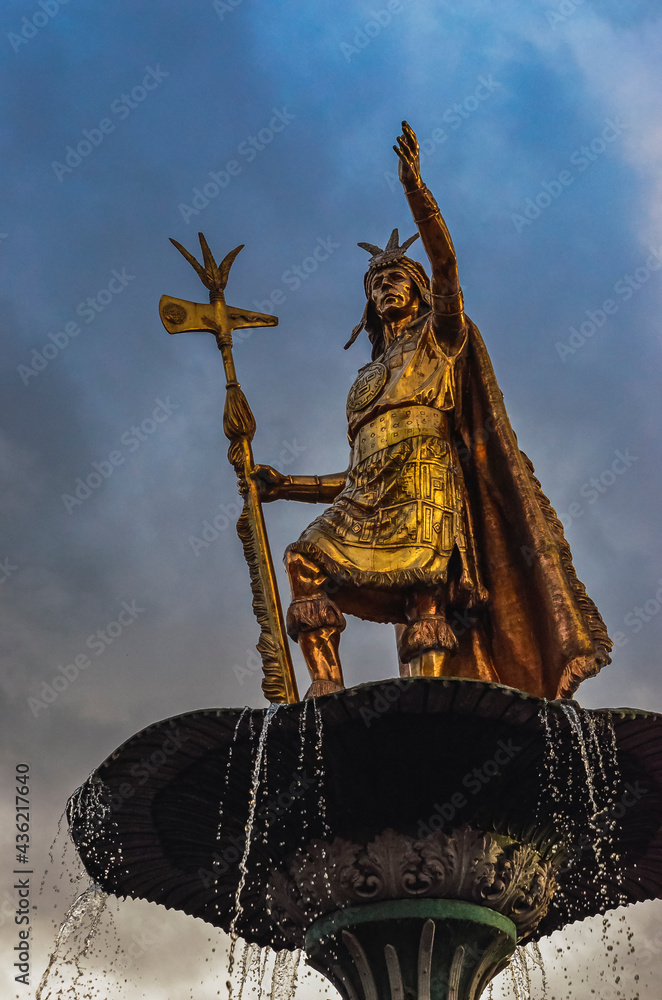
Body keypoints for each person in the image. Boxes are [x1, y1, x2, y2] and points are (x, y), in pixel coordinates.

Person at [254, 122, 612, 700]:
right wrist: (282, 484)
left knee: (423, 590)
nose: (384, 288)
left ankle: (431, 701)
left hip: (427, 482)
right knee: (303, 559)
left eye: (395, 278)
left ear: (417, 289)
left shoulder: (440, 340)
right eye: (375, 284)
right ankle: (325, 688)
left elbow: (447, 268)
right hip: (368, 493)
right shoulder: (367, 379)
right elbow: (357, 475)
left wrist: (416, 190)